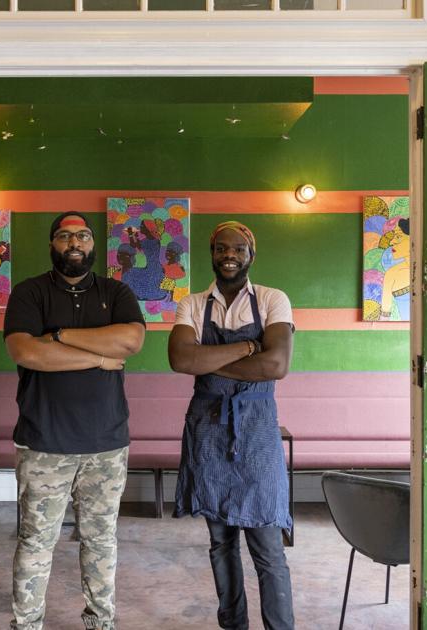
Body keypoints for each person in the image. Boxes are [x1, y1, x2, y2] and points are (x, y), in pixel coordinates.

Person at [3, 211, 146, 630]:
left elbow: (131, 340)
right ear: (52, 244)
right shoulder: (29, 293)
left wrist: (59, 335)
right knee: (36, 540)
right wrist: (100, 358)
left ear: (93, 244)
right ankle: (27, 624)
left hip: (107, 443)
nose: (74, 242)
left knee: (101, 540)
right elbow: (28, 353)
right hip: (44, 442)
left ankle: (101, 621)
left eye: (82, 235)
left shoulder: (116, 292)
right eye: (65, 236)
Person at [168, 221, 295, 630]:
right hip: (207, 431)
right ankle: (233, 624)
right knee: (221, 543)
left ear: (251, 254)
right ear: (211, 253)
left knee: (268, 546)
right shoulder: (191, 304)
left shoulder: (273, 299)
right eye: (221, 248)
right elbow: (181, 360)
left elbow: (276, 364)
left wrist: (209, 360)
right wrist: (247, 348)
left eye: (238, 249)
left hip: (257, 432)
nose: (229, 255)